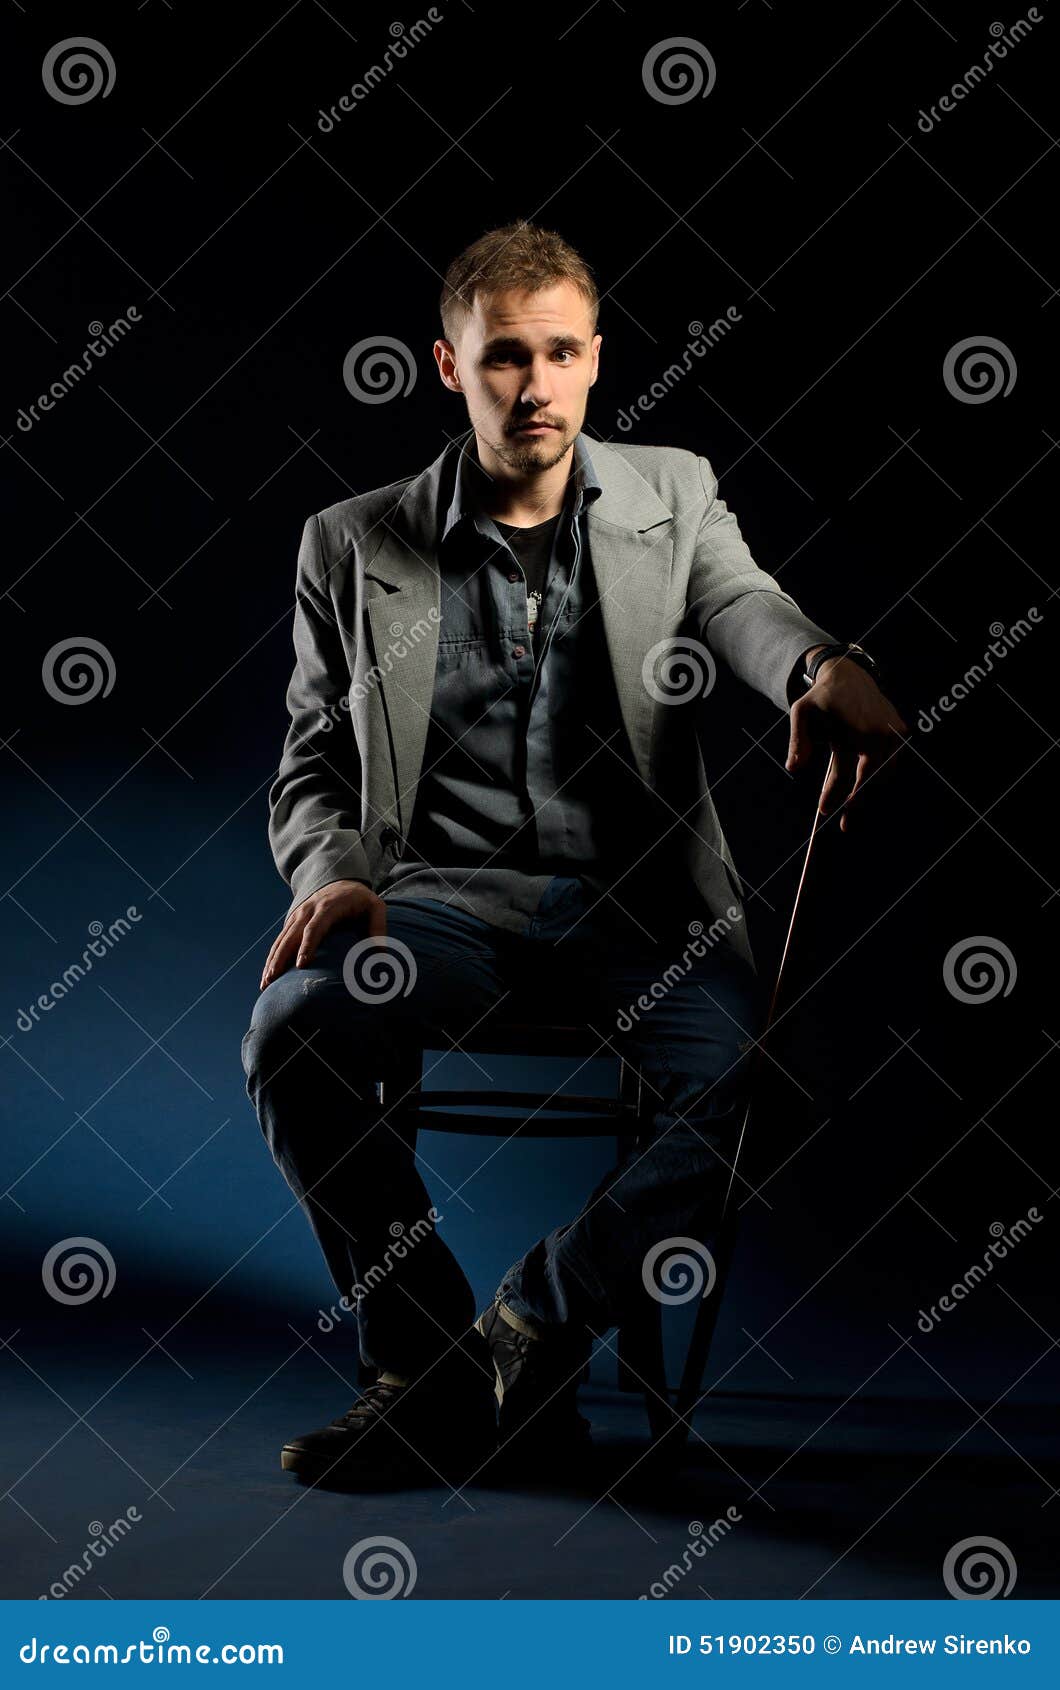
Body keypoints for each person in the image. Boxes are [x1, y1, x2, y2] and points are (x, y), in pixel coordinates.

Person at [240, 220, 908, 1488]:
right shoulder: (354, 541)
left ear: (596, 360)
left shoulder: (673, 493)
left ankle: (533, 1320)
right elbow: (314, 758)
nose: (534, 384)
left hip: (641, 920)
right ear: (449, 367)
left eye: (559, 352)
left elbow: (744, 604)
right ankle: (425, 1359)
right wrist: (331, 873)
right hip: (434, 911)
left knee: (766, 1087)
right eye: (503, 357)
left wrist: (818, 664)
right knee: (294, 1028)